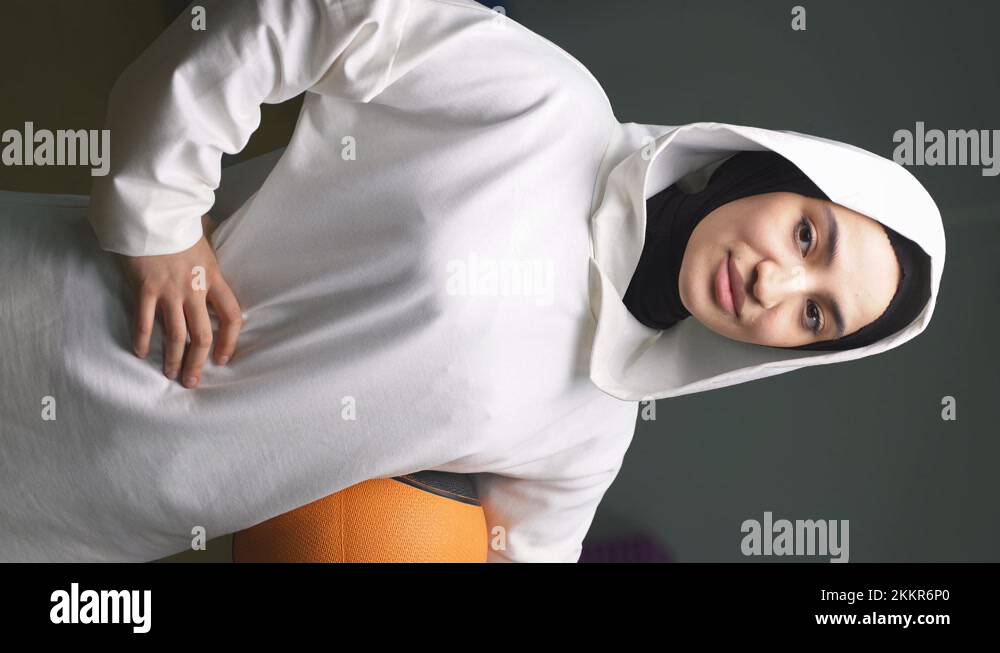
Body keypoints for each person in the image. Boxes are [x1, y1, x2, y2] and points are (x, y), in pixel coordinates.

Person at [0, 0, 944, 562]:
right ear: (767, 170)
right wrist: (159, 210)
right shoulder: (548, 106)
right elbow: (317, 15)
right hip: (43, 319)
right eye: (809, 233)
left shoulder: (594, 426)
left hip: (77, 526)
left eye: (816, 316)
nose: (776, 285)